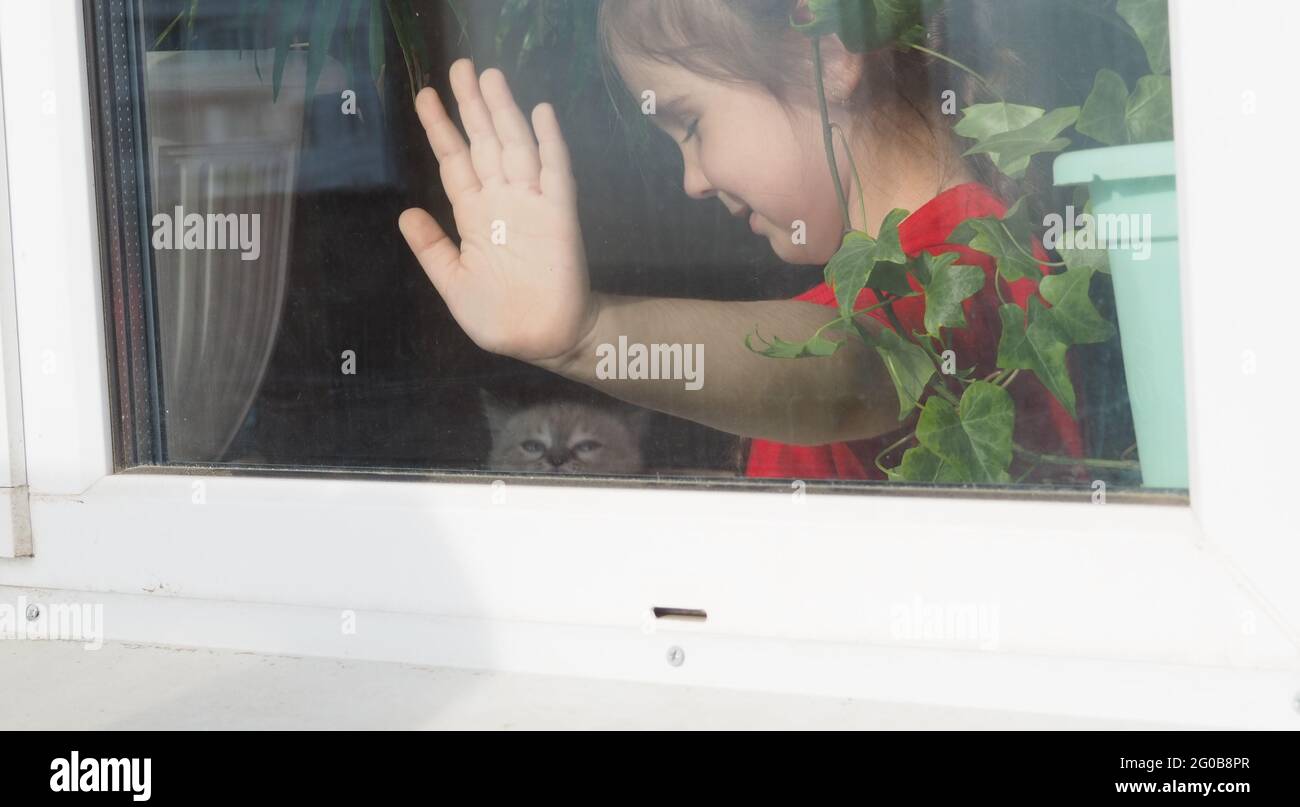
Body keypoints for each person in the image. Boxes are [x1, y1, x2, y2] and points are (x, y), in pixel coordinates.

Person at [398, 0, 1083, 481]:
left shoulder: (961, 268)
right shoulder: (982, 241)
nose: (692, 180)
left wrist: (588, 335)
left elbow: (852, 371)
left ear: (829, 54)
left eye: (691, 126)